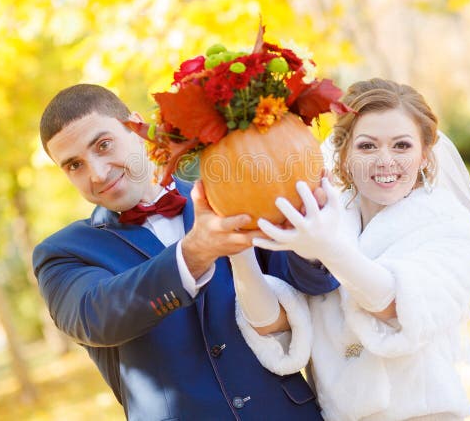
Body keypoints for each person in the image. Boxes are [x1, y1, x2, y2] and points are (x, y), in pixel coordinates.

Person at [32, 84, 339, 420]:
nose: (98, 172)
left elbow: (308, 282)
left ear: (136, 128)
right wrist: (193, 254)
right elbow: (96, 316)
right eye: (74, 165)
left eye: (103, 145)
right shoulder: (62, 253)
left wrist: (311, 240)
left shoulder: (230, 193)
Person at [231, 78, 470, 420]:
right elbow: (278, 327)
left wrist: (329, 249)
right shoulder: (324, 221)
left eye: (402, 146)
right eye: (367, 146)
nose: (385, 160)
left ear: (425, 155)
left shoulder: (449, 224)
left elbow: (398, 306)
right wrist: (238, 250)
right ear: (345, 154)